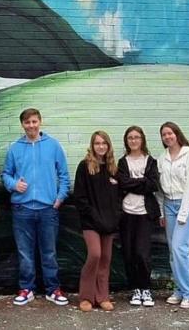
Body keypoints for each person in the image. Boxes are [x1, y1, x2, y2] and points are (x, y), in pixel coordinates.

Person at [2, 107, 71, 306]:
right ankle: (26, 289)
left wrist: (59, 198)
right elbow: (5, 174)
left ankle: (52, 289)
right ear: (22, 125)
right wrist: (14, 185)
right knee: (25, 253)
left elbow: (64, 176)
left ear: (40, 122)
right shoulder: (15, 148)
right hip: (22, 209)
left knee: (49, 252)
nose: (31, 125)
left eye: (34, 121)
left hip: (48, 209)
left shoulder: (53, 146)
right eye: (27, 122)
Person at [71, 130, 122, 312]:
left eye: (104, 143)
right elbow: (80, 197)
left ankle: (102, 297)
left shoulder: (113, 169)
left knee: (106, 259)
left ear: (108, 146)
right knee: (95, 255)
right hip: (91, 223)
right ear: (92, 146)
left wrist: (114, 218)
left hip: (109, 224)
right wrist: (94, 217)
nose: (101, 146)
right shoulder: (84, 167)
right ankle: (86, 297)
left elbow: (118, 198)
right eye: (97, 143)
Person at [156, 121, 189, 309]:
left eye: (170, 133)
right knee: (173, 252)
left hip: (187, 204)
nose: (167, 137)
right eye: (164, 135)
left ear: (177, 134)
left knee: (179, 248)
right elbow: (159, 189)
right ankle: (180, 289)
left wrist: (183, 213)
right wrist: (161, 212)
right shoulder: (162, 158)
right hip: (169, 205)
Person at [116, 125, 160, 307]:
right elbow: (123, 183)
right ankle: (134, 289)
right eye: (130, 138)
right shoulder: (122, 162)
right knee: (128, 253)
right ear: (126, 141)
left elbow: (152, 185)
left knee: (142, 253)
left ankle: (145, 289)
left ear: (142, 140)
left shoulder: (150, 161)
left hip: (145, 214)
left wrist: (133, 183)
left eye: (137, 137)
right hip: (126, 213)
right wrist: (142, 181)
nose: (133, 140)